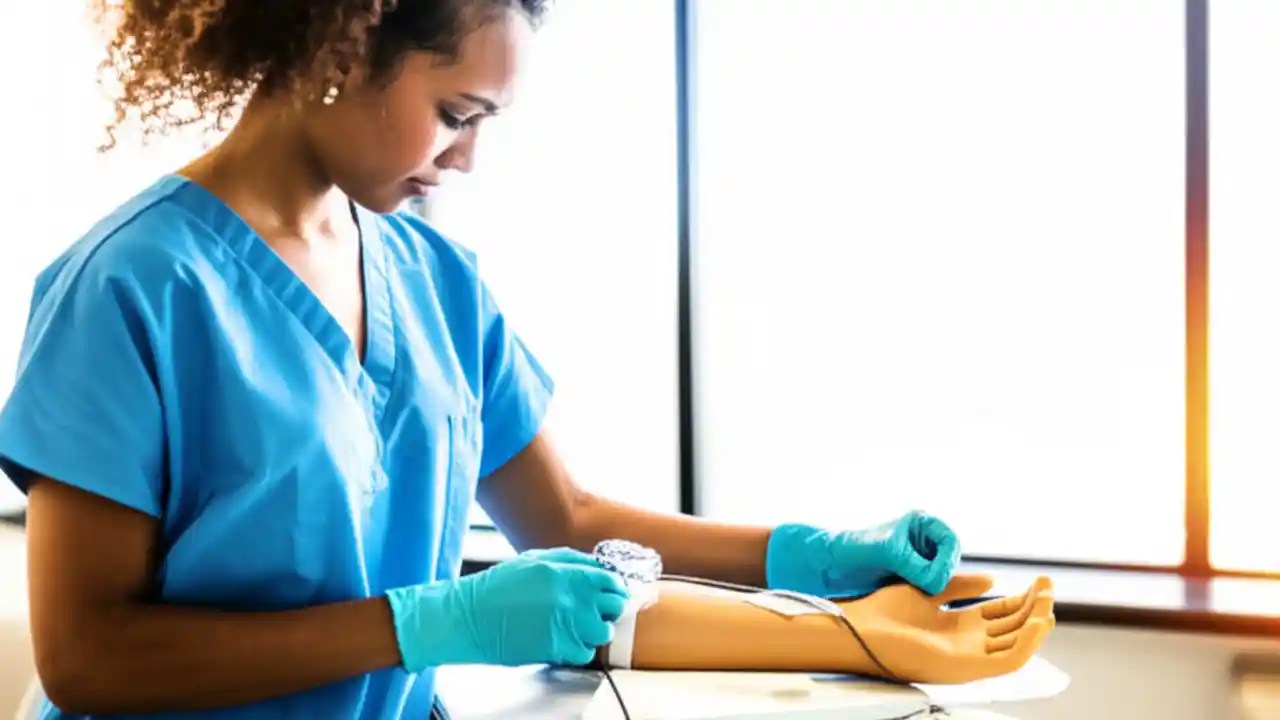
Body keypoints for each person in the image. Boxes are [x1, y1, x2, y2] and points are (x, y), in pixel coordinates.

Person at [0, 1, 964, 718]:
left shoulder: (437, 282)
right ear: (341, 45)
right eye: (457, 113)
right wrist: (426, 623)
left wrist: (815, 557)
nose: (465, 158)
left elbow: (569, 520)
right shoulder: (130, 287)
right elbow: (88, 659)